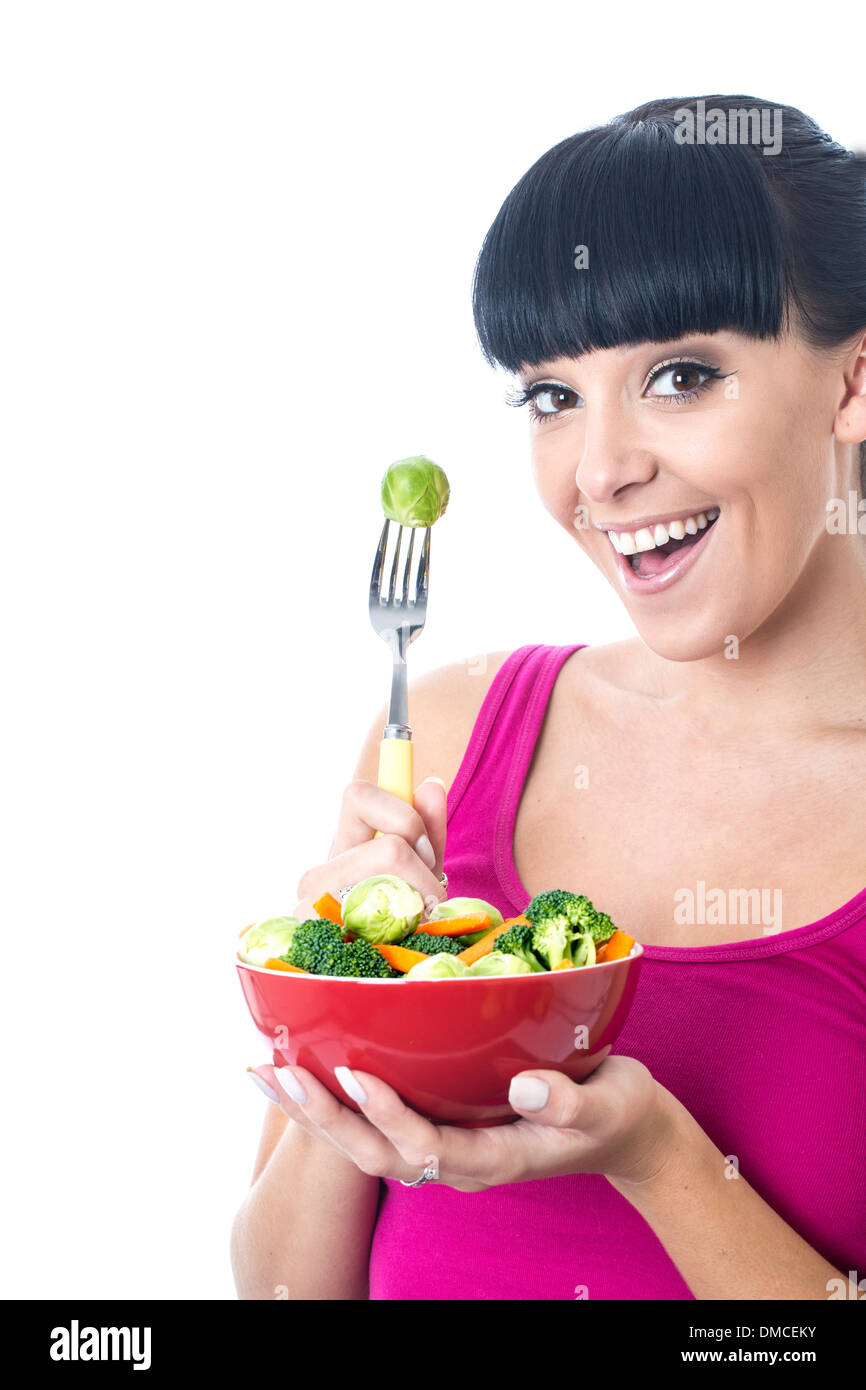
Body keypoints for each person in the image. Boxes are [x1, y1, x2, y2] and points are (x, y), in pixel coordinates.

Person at [231, 94, 866, 1300]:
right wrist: (348, 1014)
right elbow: (276, 1296)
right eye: (550, 396)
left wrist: (659, 1157)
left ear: (850, 386)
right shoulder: (453, 736)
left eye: (680, 376)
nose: (600, 471)